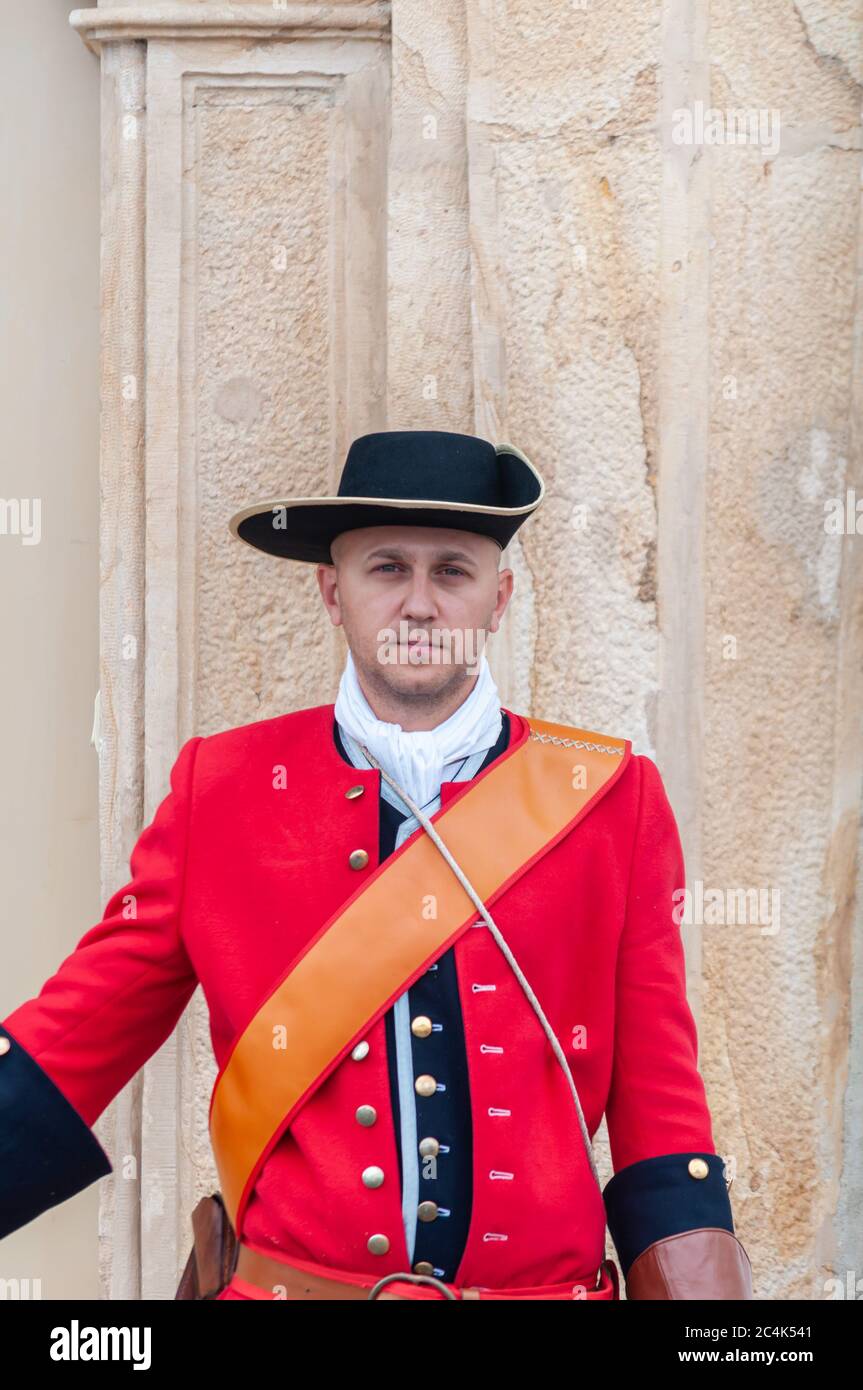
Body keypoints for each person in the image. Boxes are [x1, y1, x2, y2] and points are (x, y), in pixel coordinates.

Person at [0, 430, 753, 1301]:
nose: (420, 605)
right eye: (386, 568)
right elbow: (79, 1034)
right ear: (333, 592)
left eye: (453, 571)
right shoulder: (224, 789)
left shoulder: (612, 799)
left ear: (498, 599)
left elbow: (658, 1097)